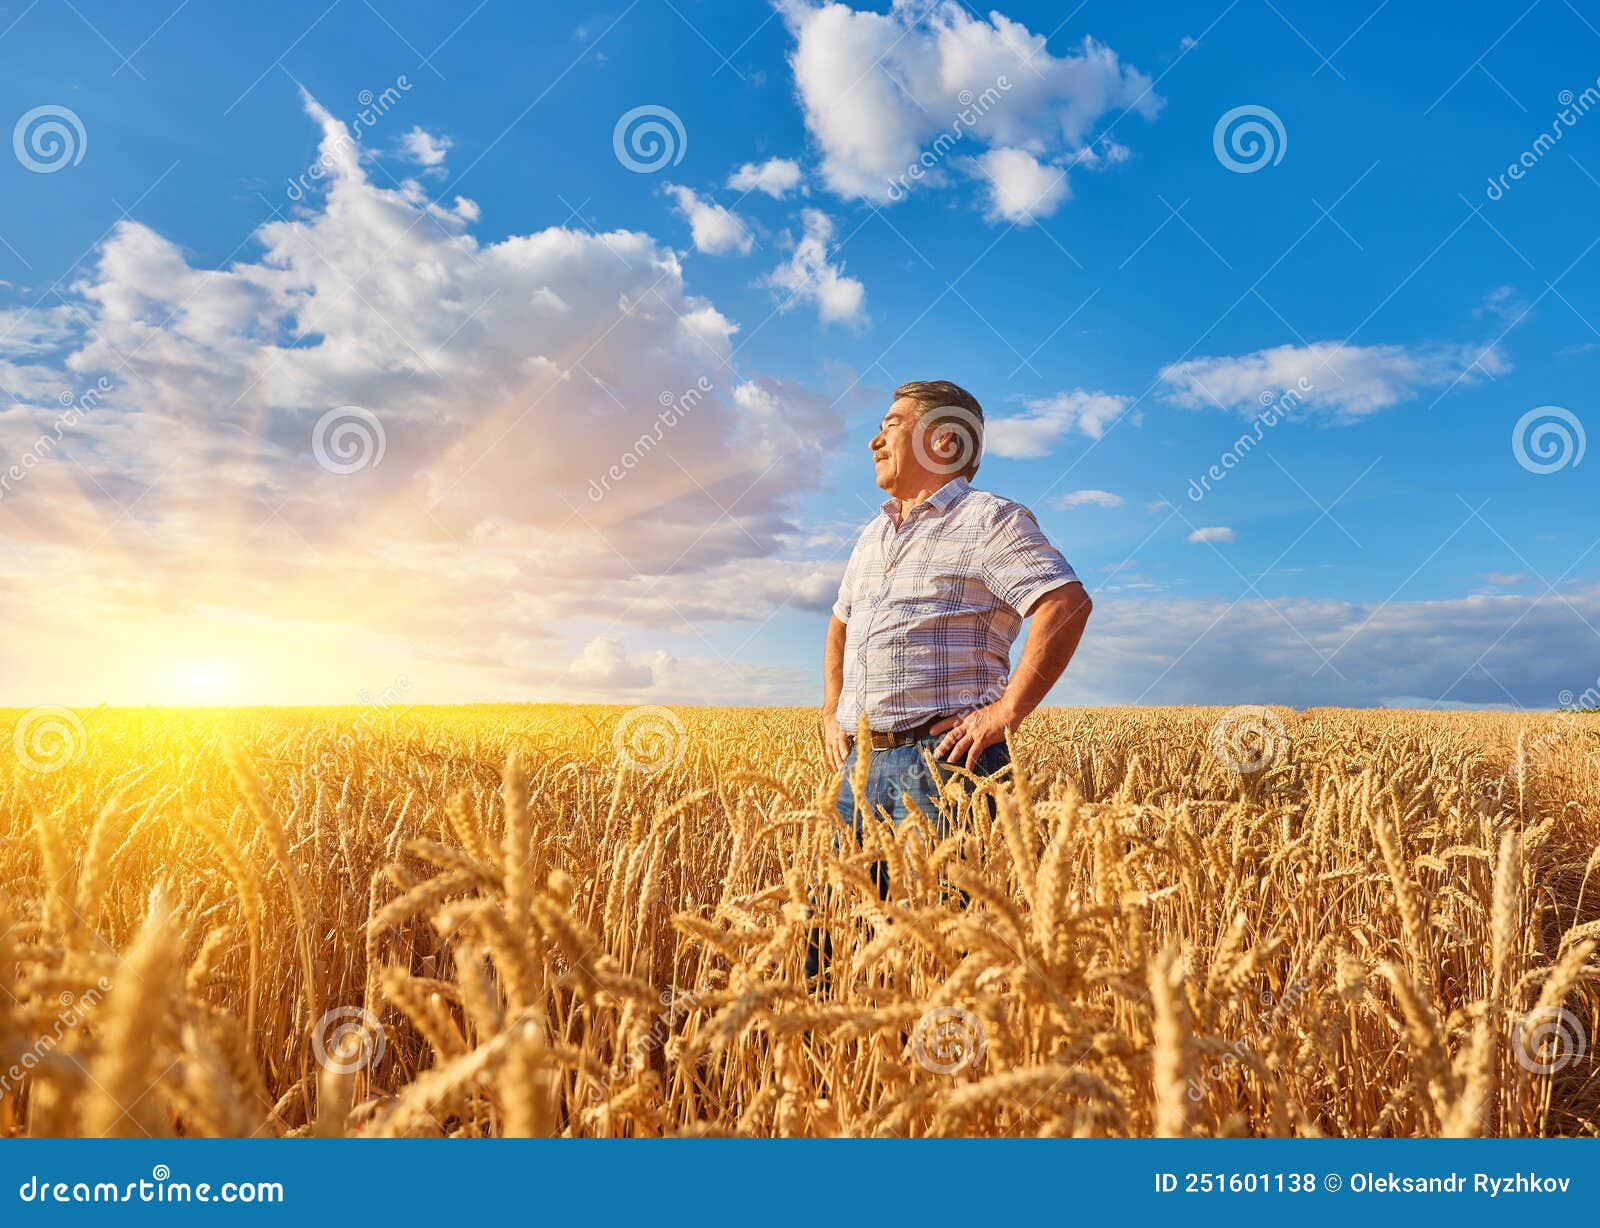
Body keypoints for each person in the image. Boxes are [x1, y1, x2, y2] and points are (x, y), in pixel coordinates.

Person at [822, 378, 1093, 838]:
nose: (874, 440)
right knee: (841, 909)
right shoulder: (873, 534)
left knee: (949, 908)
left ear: (943, 438)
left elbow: (1065, 603)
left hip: (946, 764)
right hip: (859, 768)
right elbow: (839, 624)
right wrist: (832, 711)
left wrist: (1005, 712)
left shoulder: (989, 519)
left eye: (891, 424)